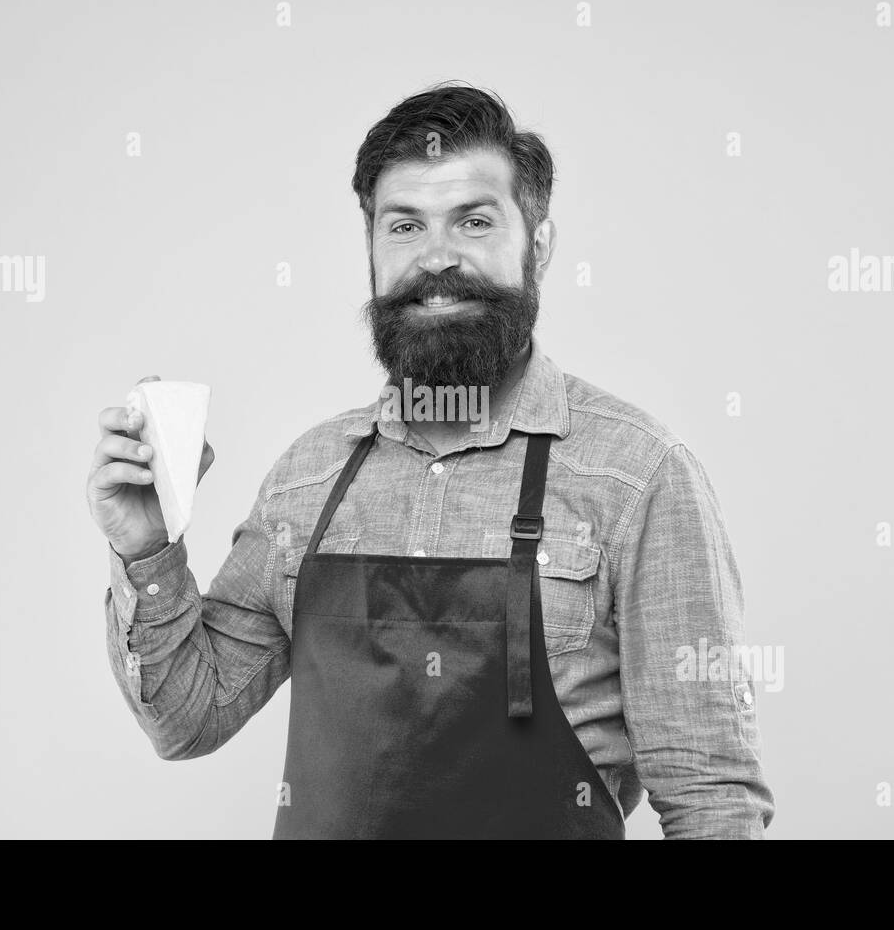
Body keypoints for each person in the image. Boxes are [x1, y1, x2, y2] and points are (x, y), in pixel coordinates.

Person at [86, 82, 775, 839]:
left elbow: (714, 804)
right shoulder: (309, 478)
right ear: (372, 249)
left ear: (537, 245)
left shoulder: (639, 476)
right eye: (405, 225)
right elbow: (189, 715)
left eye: (474, 221)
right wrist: (147, 543)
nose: (437, 257)